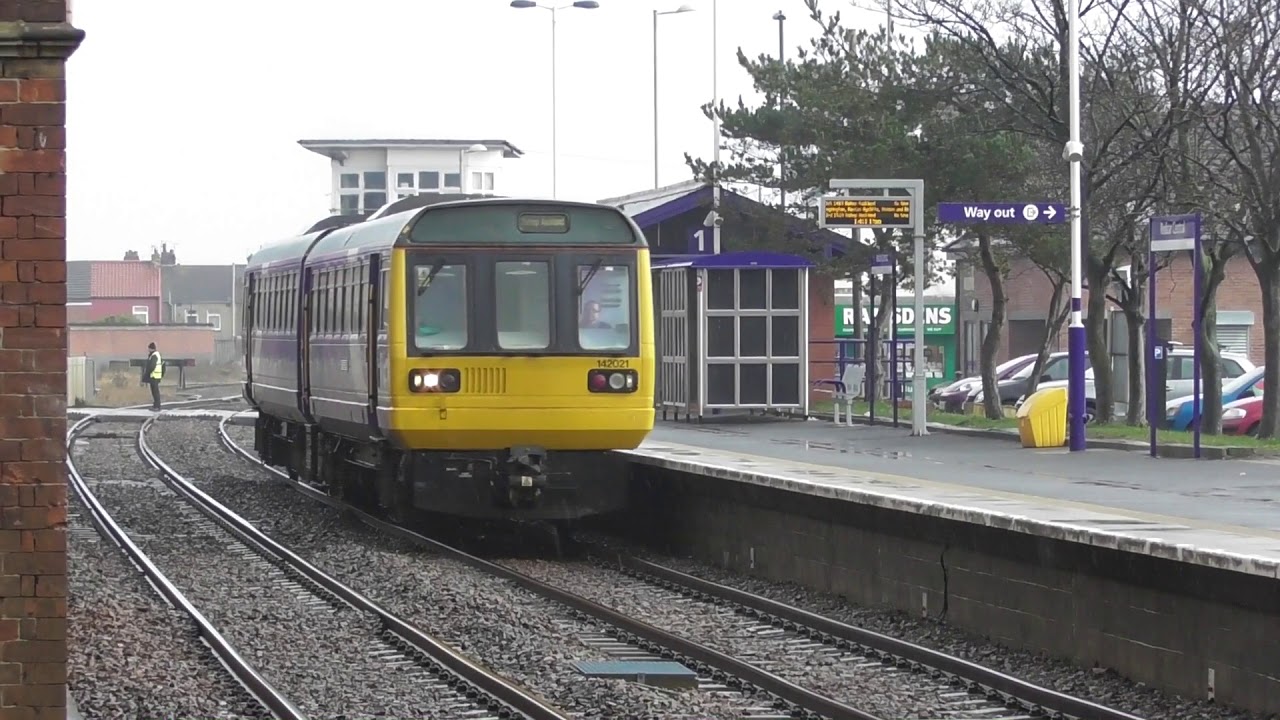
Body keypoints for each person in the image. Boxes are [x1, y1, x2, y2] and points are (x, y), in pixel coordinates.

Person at [142, 342, 163, 411]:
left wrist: (147, 374)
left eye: (149, 348)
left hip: (154, 376)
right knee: (154, 391)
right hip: (156, 376)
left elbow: (152, 366)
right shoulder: (157, 355)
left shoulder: (154, 356)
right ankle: (156, 405)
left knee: (155, 392)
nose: (148, 350)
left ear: (151, 348)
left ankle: (157, 406)